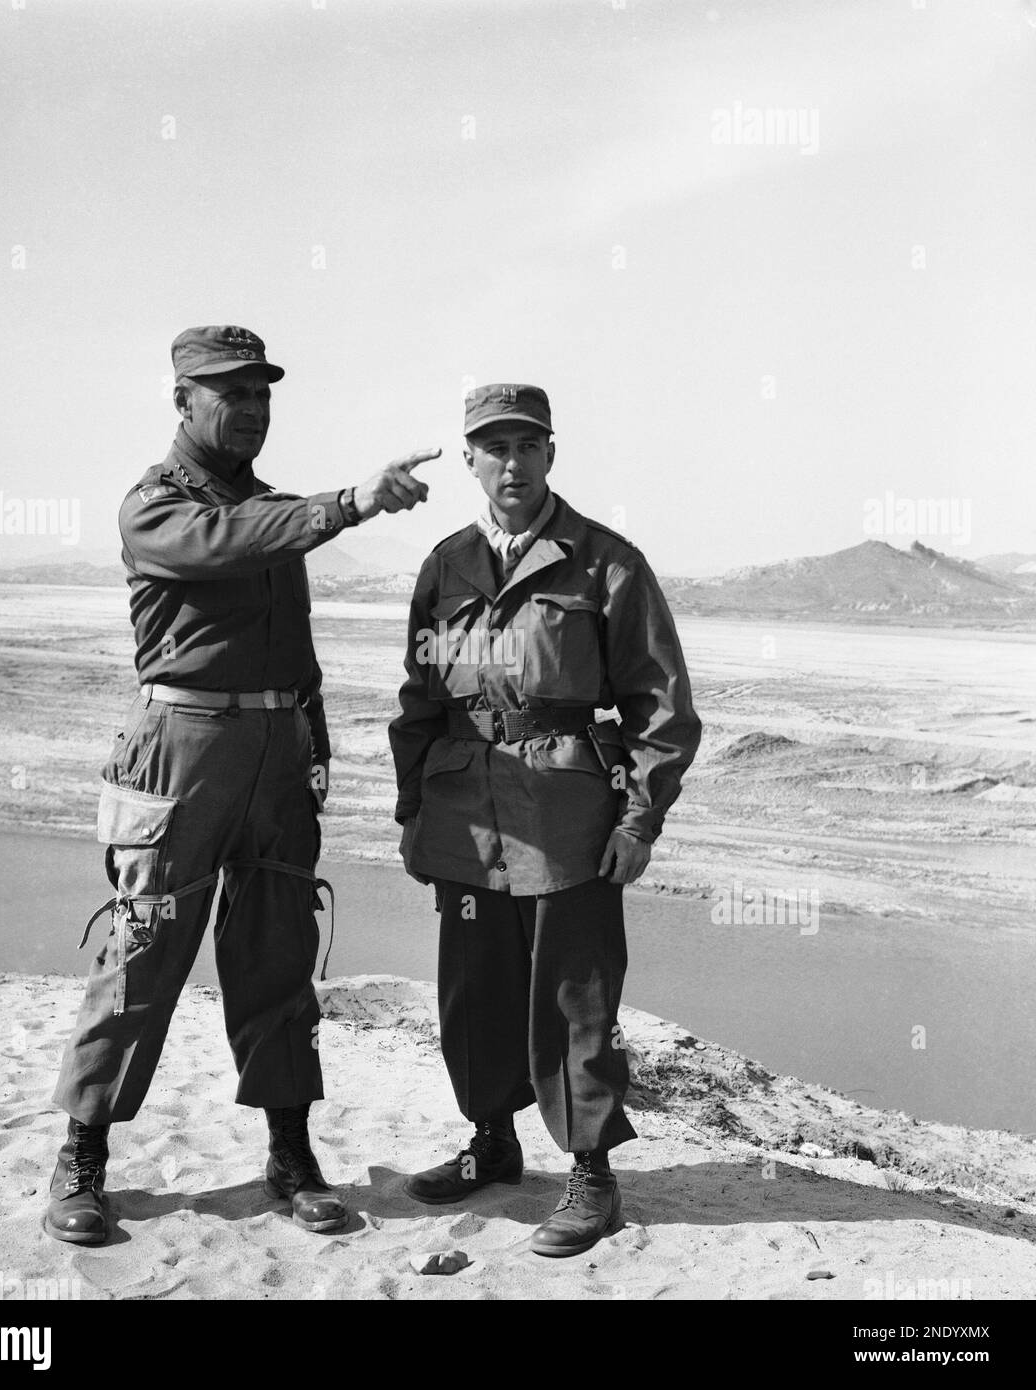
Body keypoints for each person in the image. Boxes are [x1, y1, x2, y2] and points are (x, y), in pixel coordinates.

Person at [46, 324, 437, 1246]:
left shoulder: (272, 506)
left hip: (273, 754)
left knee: (276, 957)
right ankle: (82, 1157)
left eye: (264, 394)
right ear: (184, 402)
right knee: (143, 954)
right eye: (233, 393)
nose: (254, 409)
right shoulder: (157, 505)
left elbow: (294, 648)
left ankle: (290, 1155)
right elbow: (220, 544)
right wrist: (349, 501)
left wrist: (314, 748)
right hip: (181, 750)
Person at [389, 383, 701, 1258]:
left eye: (527, 447)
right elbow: (419, 701)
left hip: (566, 808)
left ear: (550, 455)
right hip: (462, 809)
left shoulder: (604, 562)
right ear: (469, 462)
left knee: (575, 996)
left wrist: (639, 821)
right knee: (472, 990)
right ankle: (492, 1143)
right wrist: (412, 808)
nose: (511, 464)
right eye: (494, 449)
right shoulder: (445, 565)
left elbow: (662, 707)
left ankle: (591, 1172)